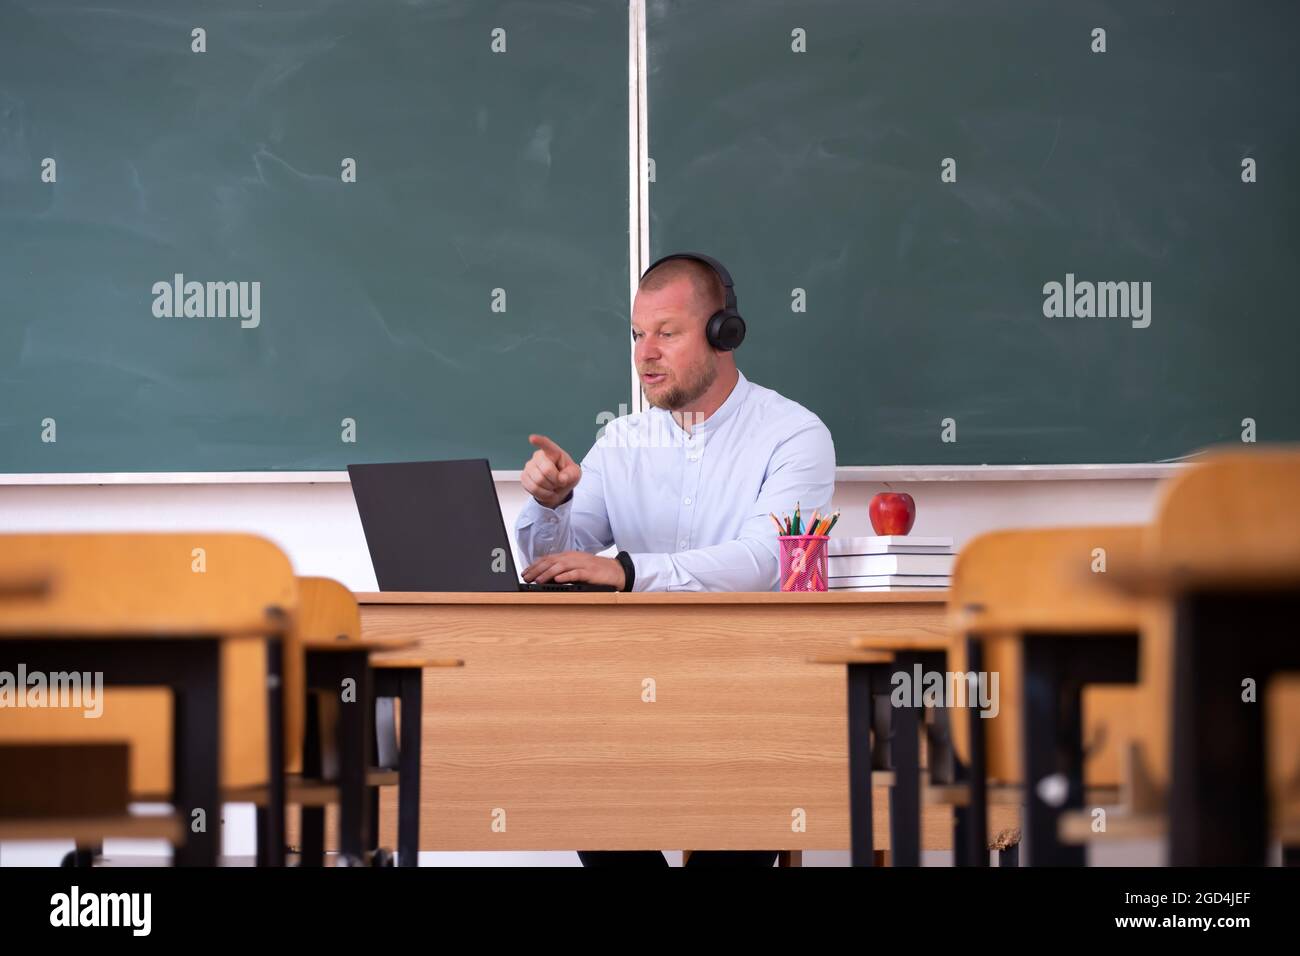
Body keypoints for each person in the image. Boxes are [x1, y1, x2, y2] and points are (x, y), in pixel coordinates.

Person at [515, 253, 836, 866]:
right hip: (634, 688)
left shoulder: (795, 435)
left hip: (751, 694)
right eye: (638, 335)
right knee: (570, 752)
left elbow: (769, 558)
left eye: (667, 333)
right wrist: (553, 505)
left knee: (751, 780)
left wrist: (631, 571)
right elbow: (551, 563)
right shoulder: (622, 439)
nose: (645, 354)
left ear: (724, 333)